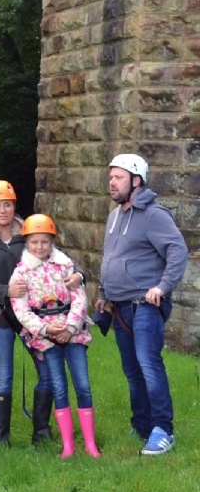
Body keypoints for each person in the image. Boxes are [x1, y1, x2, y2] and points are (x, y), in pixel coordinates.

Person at [0, 180, 84, 446]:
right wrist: (5, 291)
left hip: (36, 316)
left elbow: (61, 257)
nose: (2, 211)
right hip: (1, 314)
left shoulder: (29, 230)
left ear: (14, 206)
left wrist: (80, 273)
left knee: (46, 372)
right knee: (4, 377)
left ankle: (41, 432)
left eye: (7, 205)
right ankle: (2, 439)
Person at [98, 152, 189, 456]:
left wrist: (162, 287)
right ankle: (142, 425)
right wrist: (103, 292)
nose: (112, 182)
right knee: (132, 370)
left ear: (136, 180)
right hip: (119, 305)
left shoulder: (154, 214)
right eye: (111, 177)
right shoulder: (115, 216)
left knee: (148, 365)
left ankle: (163, 430)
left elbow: (177, 250)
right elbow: (112, 257)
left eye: (119, 177)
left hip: (145, 305)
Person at [10, 214, 99, 459]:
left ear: (52, 242)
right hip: (46, 337)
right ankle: (68, 445)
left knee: (83, 385)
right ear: (27, 242)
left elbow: (79, 297)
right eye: (34, 242)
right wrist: (45, 330)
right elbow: (21, 309)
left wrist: (71, 326)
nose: (40, 247)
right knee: (58, 387)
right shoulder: (21, 273)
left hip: (73, 332)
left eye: (45, 242)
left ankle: (90, 444)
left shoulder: (66, 265)